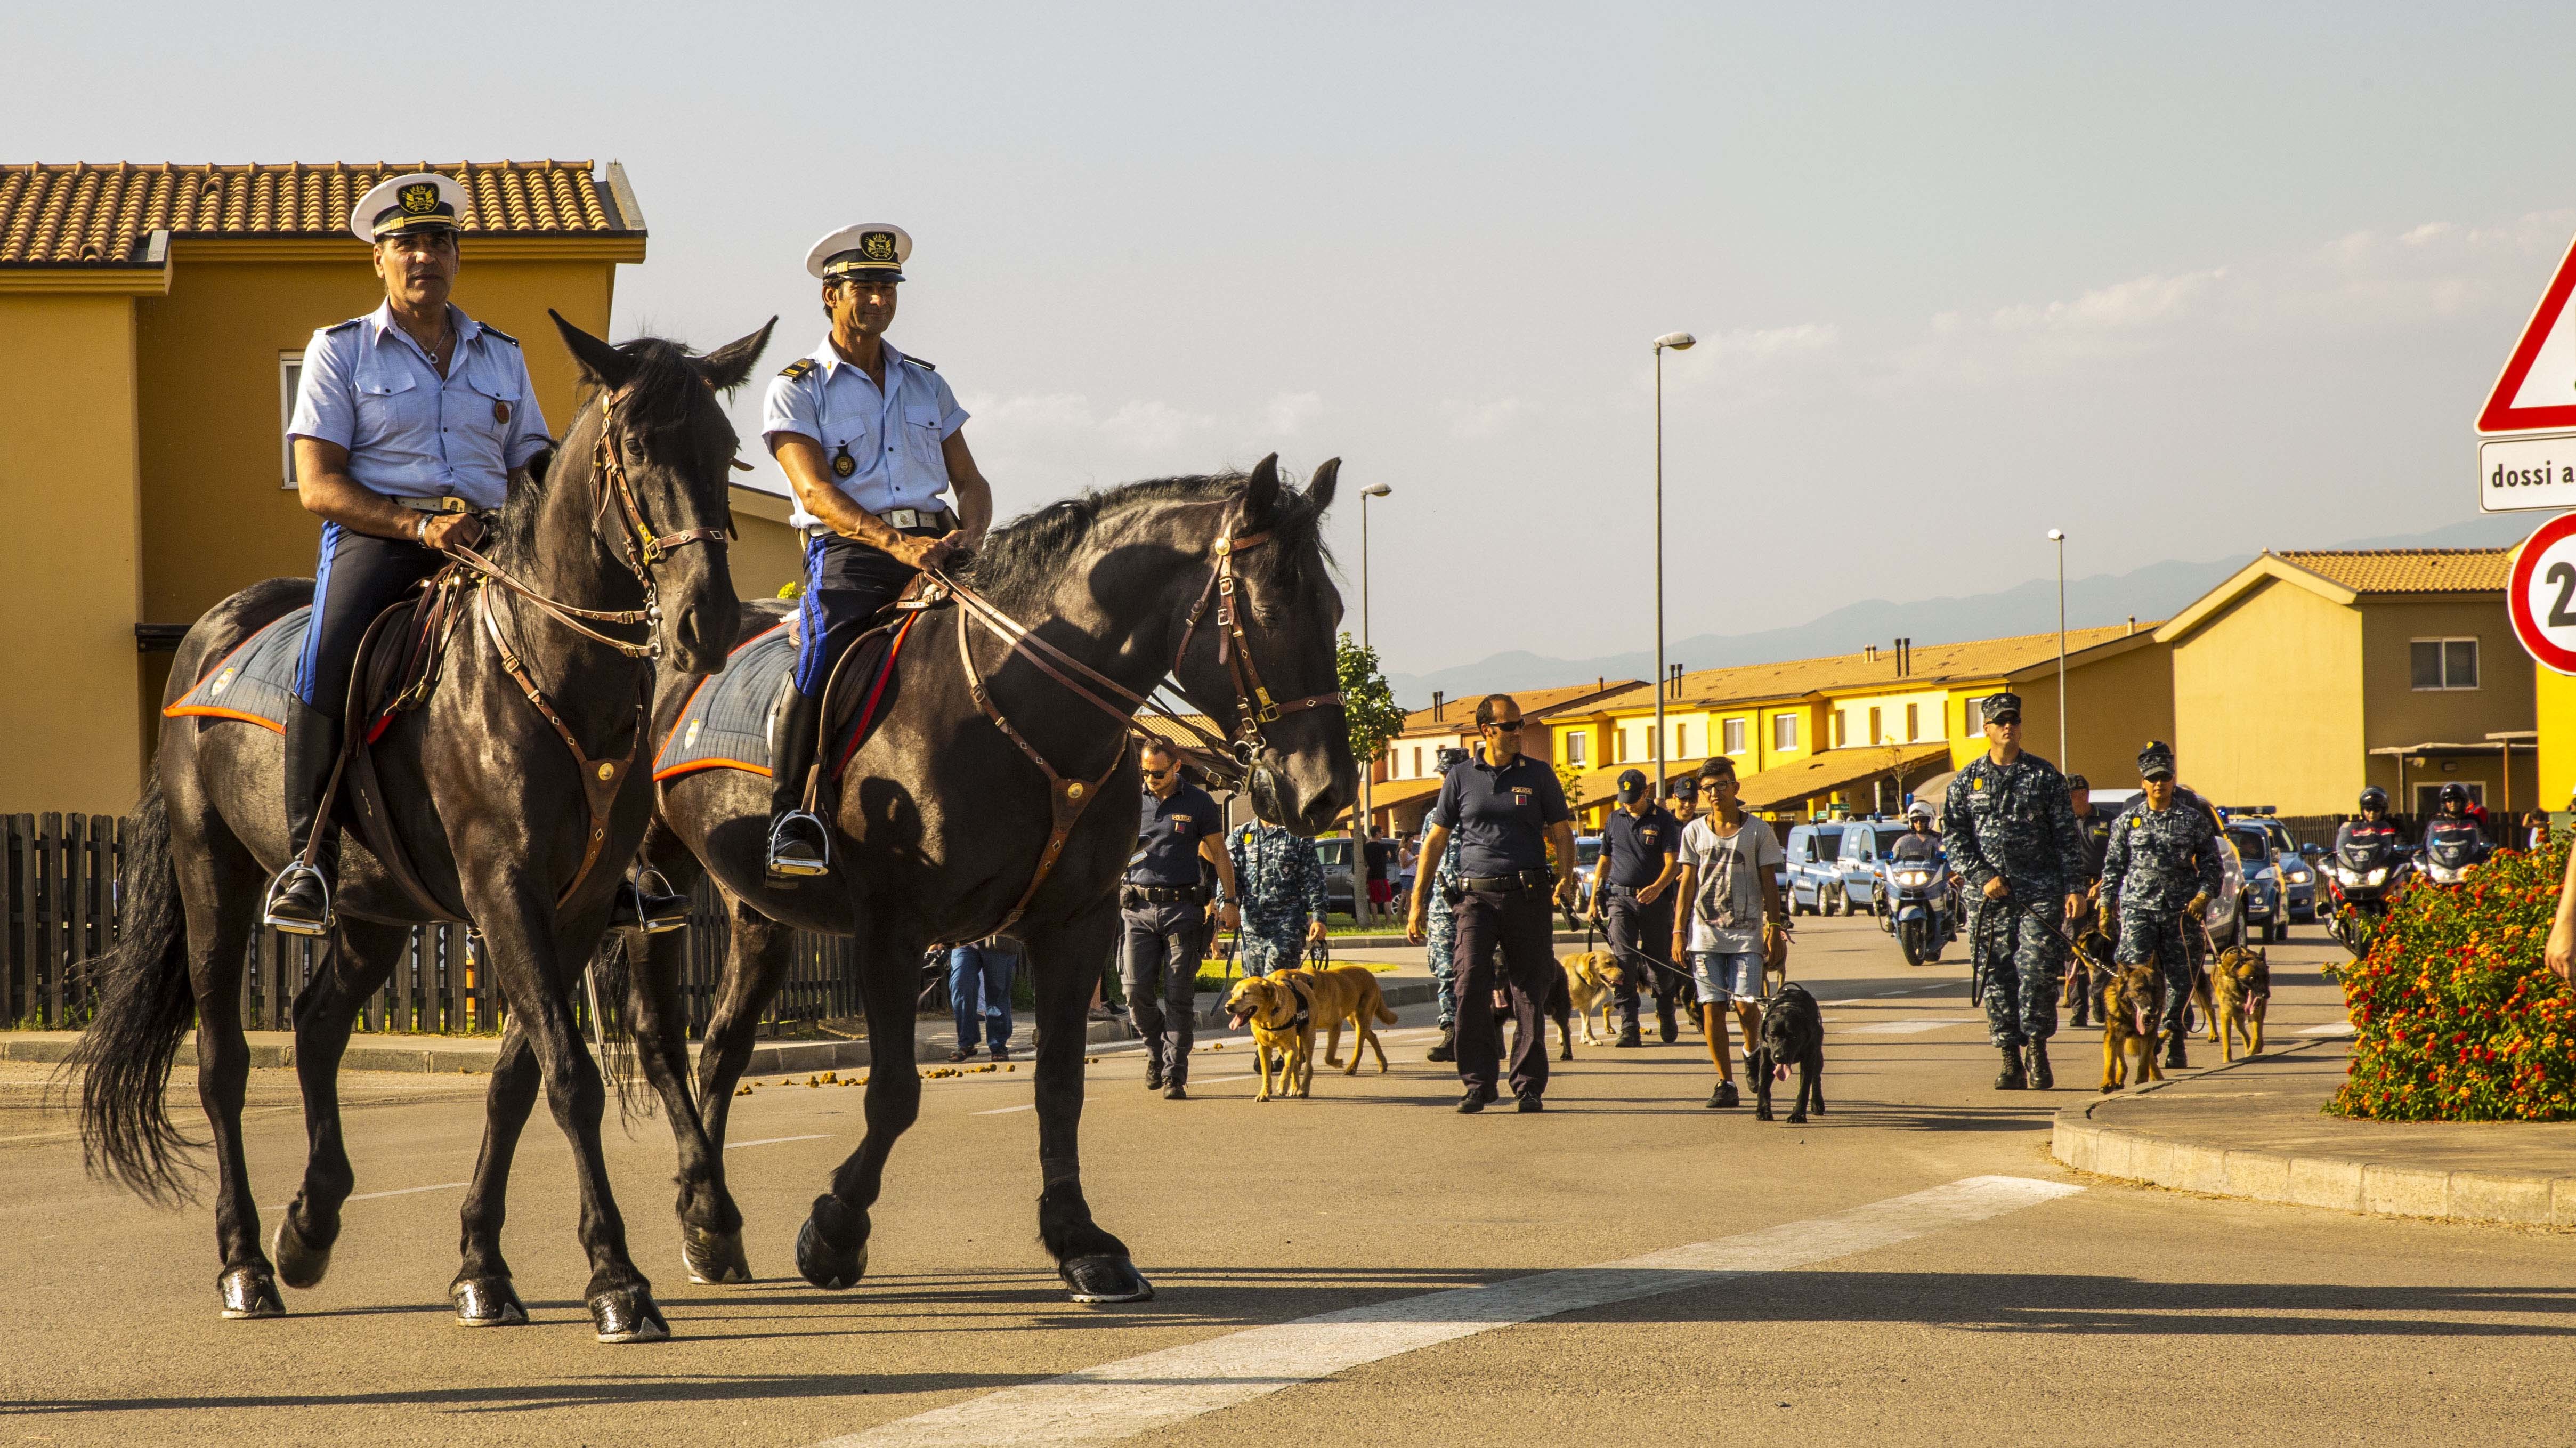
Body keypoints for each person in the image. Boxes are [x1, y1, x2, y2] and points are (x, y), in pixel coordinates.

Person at [264, 174, 554, 936]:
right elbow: (318, 486)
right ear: (380, 261)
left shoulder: (503, 355)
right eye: (406, 244)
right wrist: (419, 528)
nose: (423, 256)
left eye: (437, 243)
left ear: (457, 256)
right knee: (328, 657)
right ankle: (309, 859)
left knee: (587, 643)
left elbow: (532, 464)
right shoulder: (340, 352)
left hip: (494, 541)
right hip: (383, 540)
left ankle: (614, 858)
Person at [761, 223, 997, 880]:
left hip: (944, 549)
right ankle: (792, 813)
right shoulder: (797, 386)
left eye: (888, 287)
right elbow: (814, 489)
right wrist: (897, 543)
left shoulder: (926, 383)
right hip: (852, 552)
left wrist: (969, 534)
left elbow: (970, 481)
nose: (879, 299)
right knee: (821, 651)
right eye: (864, 287)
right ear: (830, 296)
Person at [1407, 695, 1576, 1113]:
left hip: (1528, 896)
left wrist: (1567, 879)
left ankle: (1528, 1084)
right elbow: (1435, 841)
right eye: (1510, 726)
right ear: (1487, 730)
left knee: (1530, 991)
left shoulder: (1539, 775)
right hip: (1474, 898)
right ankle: (1478, 1083)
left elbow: (1562, 831)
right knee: (1469, 985)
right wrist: (1417, 903)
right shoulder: (1461, 777)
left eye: (1521, 724)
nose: (1519, 732)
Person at [1942, 691, 2088, 1091]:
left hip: (2038, 892)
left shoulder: (2045, 778)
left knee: (2038, 970)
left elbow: (2065, 838)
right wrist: (1980, 874)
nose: (2009, 726)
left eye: (2015, 720)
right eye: (2001, 721)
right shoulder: (1966, 782)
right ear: (1987, 728)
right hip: (1989, 898)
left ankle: (2037, 1048)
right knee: (1997, 976)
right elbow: (1954, 837)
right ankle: (2009, 1056)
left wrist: (2075, 887)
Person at [1122, 742, 1239, 1099]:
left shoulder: (1199, 803)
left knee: (1179, 996)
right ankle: (1157, 1049)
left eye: (1159, 773)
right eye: (1146, 772)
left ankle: (1175, 1073)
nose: (1151, 779)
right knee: (1135, 992)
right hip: (1137, 910)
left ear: (1176, 767)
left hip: (1182, 910)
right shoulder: (1129, 799)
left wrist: (1229, 901)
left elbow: (1218, 851)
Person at [1668, 756, 1787, 1109]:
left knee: (1746, 1006)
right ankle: (1726, 1081)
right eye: (1707, 788)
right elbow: (1687, 883)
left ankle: (1752, 1051)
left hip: (1747, 935)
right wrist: (1678, 929)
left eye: (1721, 785)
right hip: (1705, 937)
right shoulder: (1693, 832)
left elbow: (1770, 883)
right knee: (1711, 1009)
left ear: (1735, 787)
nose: (1714, 793)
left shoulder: (1758, 831)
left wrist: (1776, 928)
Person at [2101, 741, 2227, 1069]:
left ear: (2174, 779)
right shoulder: (2127, 822)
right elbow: (2113, 866)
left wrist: (2203, 896)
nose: (2160, 783)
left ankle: (2174, 1039)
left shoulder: (2193, 820)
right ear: (2143, 782)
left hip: (2181, 912)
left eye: (2166, 777)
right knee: (2134, 978)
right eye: (2153, 778)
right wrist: (2105, 906)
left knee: (2181, 979)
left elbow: (2213, 865)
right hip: (2138, 911)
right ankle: (2140, 1036)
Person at [1591, 768, 1683, 1047]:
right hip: (1620, 900)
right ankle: (1629, 1025)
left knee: (1658, 964)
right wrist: (1594, 897)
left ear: (1646, 792)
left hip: (1655, 901)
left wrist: (1657, 887)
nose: (1627, 803)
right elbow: (1605, 860)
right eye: (1623, 798)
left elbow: (1673, 863)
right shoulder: (1613, 819)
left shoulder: (1663, 821)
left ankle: (1666, 1010)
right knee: (1624, 963)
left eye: (1633, 797)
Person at [1228, 813, 1327, 977]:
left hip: (1286, 927)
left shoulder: (1298, 835)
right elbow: (1231, 879)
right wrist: (1228, 906)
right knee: (1254, 990)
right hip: (1252, 929)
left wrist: (1319, 917)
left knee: (1278, 987)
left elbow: (1314, 879)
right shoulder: (1241, 836)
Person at [1420, 748, 1470, 1062]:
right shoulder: (1433, 817)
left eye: (1449, 775)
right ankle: (1452, 1032)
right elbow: (1428, 859)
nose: (1445, 781)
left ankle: (1487, 1030)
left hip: (1476, 899)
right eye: (1442, 776)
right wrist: (1417, 904)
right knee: (1444, 970)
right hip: (1441, 905)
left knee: (1481, 971)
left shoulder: (1479, 810)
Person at [2062, 775, 2117, 1029]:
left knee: (2104, 948)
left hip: (2102, 891)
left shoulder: (2106, 820)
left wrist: (2103, 884)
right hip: (2072, 893)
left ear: (2087, 793)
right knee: (2076, 951)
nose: (2075, 798)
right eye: (2071, 794)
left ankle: (2099, 997)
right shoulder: (2061, 824)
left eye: (2078, 793)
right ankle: (2078, 1009)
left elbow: (2120, 857)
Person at [946, 934, 1021, 1062]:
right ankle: (966, 1043)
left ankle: (998, 1045)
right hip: (964, 940)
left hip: (997, 940)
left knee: (997, 992)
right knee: (961, 983)